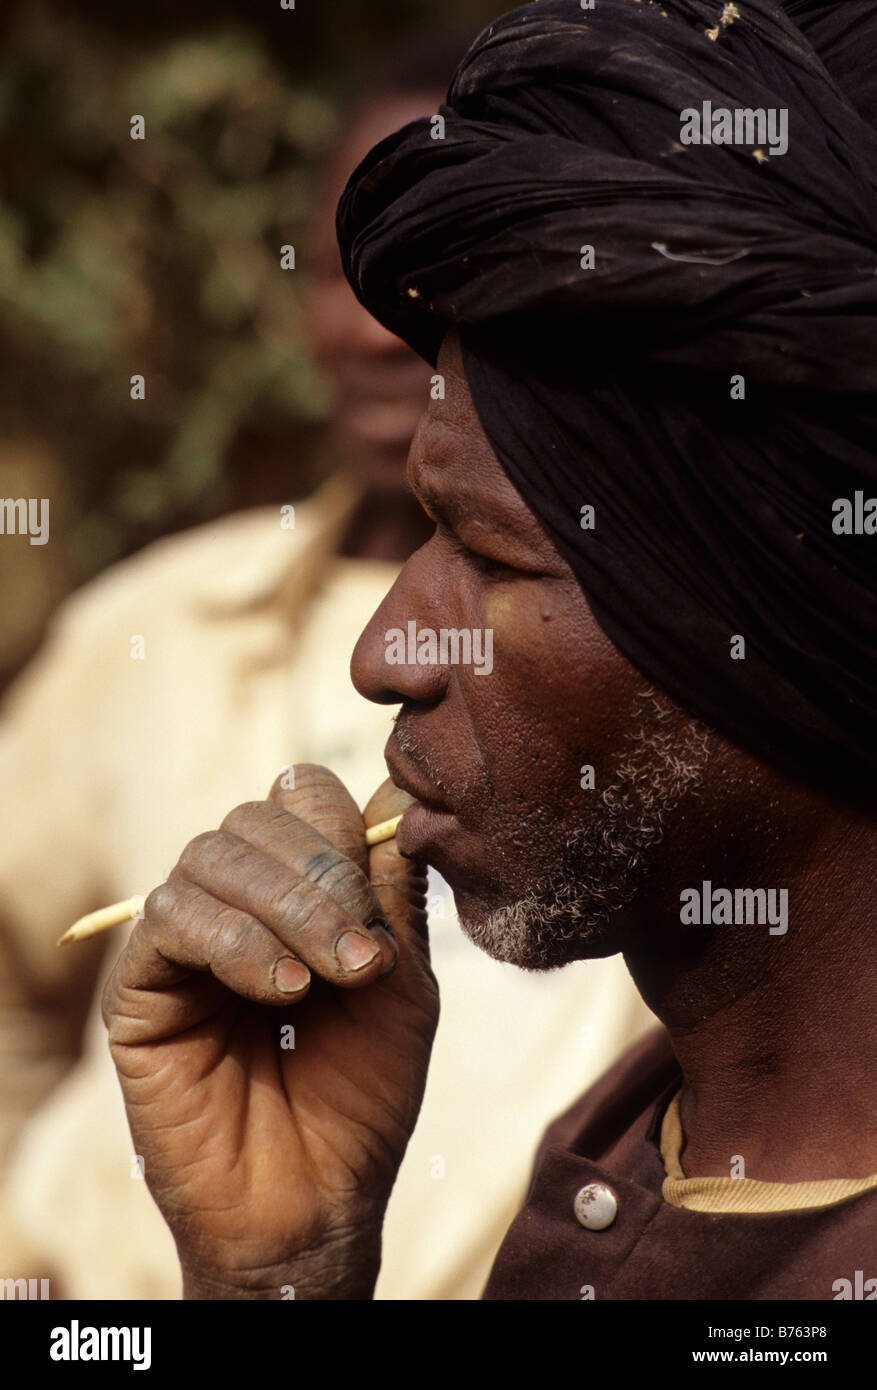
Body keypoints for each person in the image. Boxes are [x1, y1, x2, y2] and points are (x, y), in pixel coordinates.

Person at [102, 0, 877, 1300]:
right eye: (420, 530)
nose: (386, 650)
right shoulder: (619, 1163)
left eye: (494, 555)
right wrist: (280, 1272)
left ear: (776, 618)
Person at [0, 32, 655, 1301]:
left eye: (430, 283)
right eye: (338, 274)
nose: (370, 335)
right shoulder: (147, 621)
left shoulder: (667, 656)